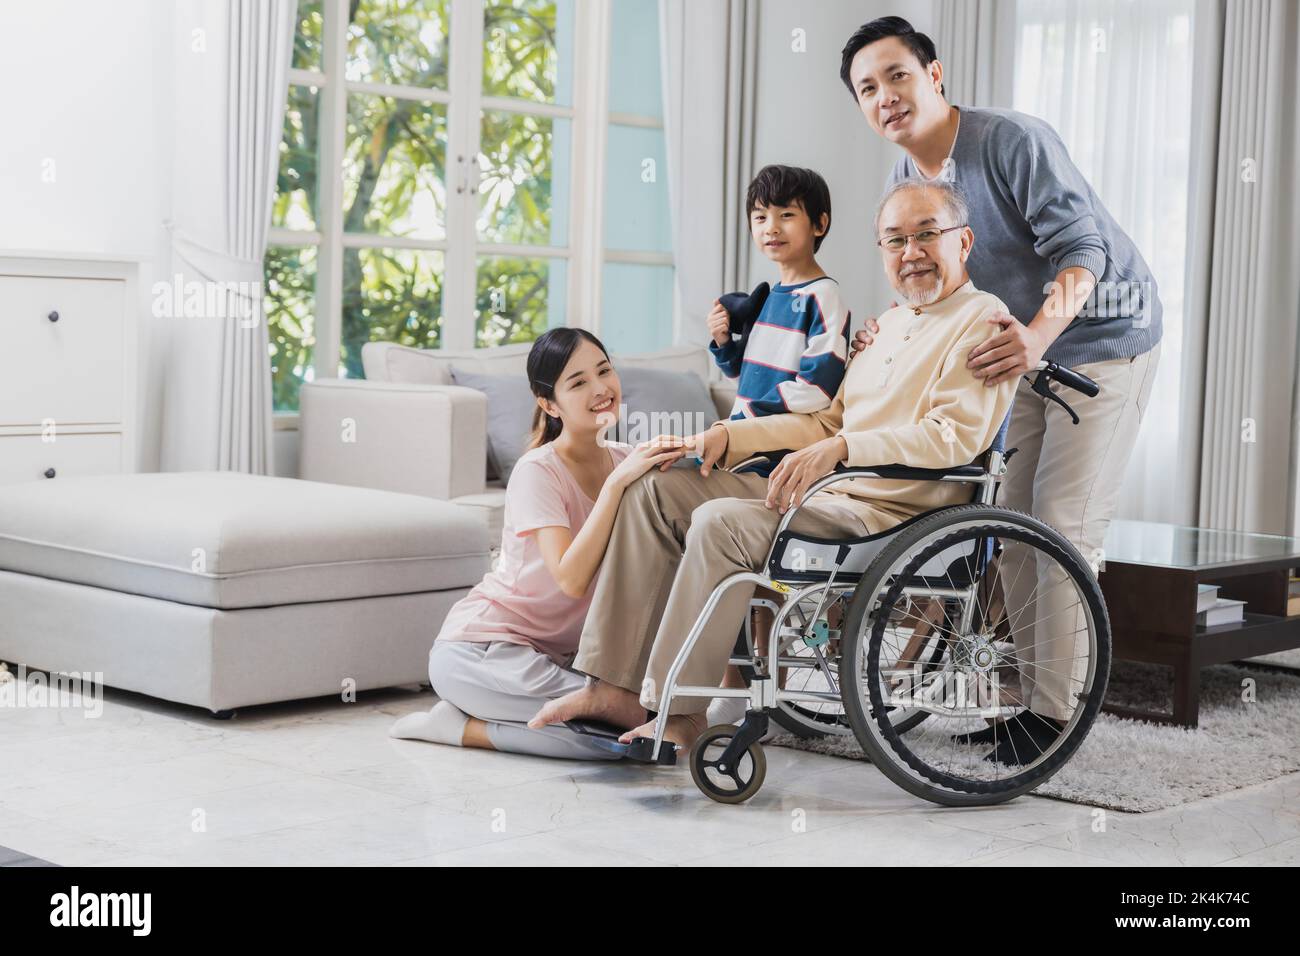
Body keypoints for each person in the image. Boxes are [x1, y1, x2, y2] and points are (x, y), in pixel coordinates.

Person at [529, 179, 1017, 755]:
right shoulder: (889, 325)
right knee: (652, 488)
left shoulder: (984, 320)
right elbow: (825, 423)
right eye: (895, 240)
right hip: (832, 492)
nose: (910, 252)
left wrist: (841, 451)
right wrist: (723, 436)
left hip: (890, 511)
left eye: (926, 235)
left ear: (964, 241)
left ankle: (682, 709)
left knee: (719, 522)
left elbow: (952, 437)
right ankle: (612, 687)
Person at [842, 16, 1161, 759]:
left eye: (897, 75)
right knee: (1007, 524)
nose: (886, 96)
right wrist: (890, 329)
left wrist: (1038, 337)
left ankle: (1055, 719)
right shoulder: (904, 179)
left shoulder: (1010, 141)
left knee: (1061, 521)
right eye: (867, 88)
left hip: (1102, 340)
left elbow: (1081, 249)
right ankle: (1026, 699)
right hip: (1011, 350)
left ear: (935, 74)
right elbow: (933, 282)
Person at [389, 328, 684, 759]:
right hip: (482, 651)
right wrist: (617, 486)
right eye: (578, 382)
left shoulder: (626, 459)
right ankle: (459, 727)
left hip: (565, 659)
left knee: (645, 731)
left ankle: (491, 719)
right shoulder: (538, 472)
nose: (601, 389)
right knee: (627, 736)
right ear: (549, 404)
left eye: (604, 371)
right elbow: (570, 579)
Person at [705, 163, 851, 727]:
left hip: (775, 450)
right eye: (760, 216)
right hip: (749, 438)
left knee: (765, 575)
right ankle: (741, 683)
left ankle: (763, 688)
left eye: (786, 215)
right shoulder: (769, 297)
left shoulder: (823, 295)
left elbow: (819, 386)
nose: (771, 227)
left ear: (819, 223)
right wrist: (723, 344)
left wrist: (758, 417)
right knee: (751, 575)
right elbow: (747, 370)